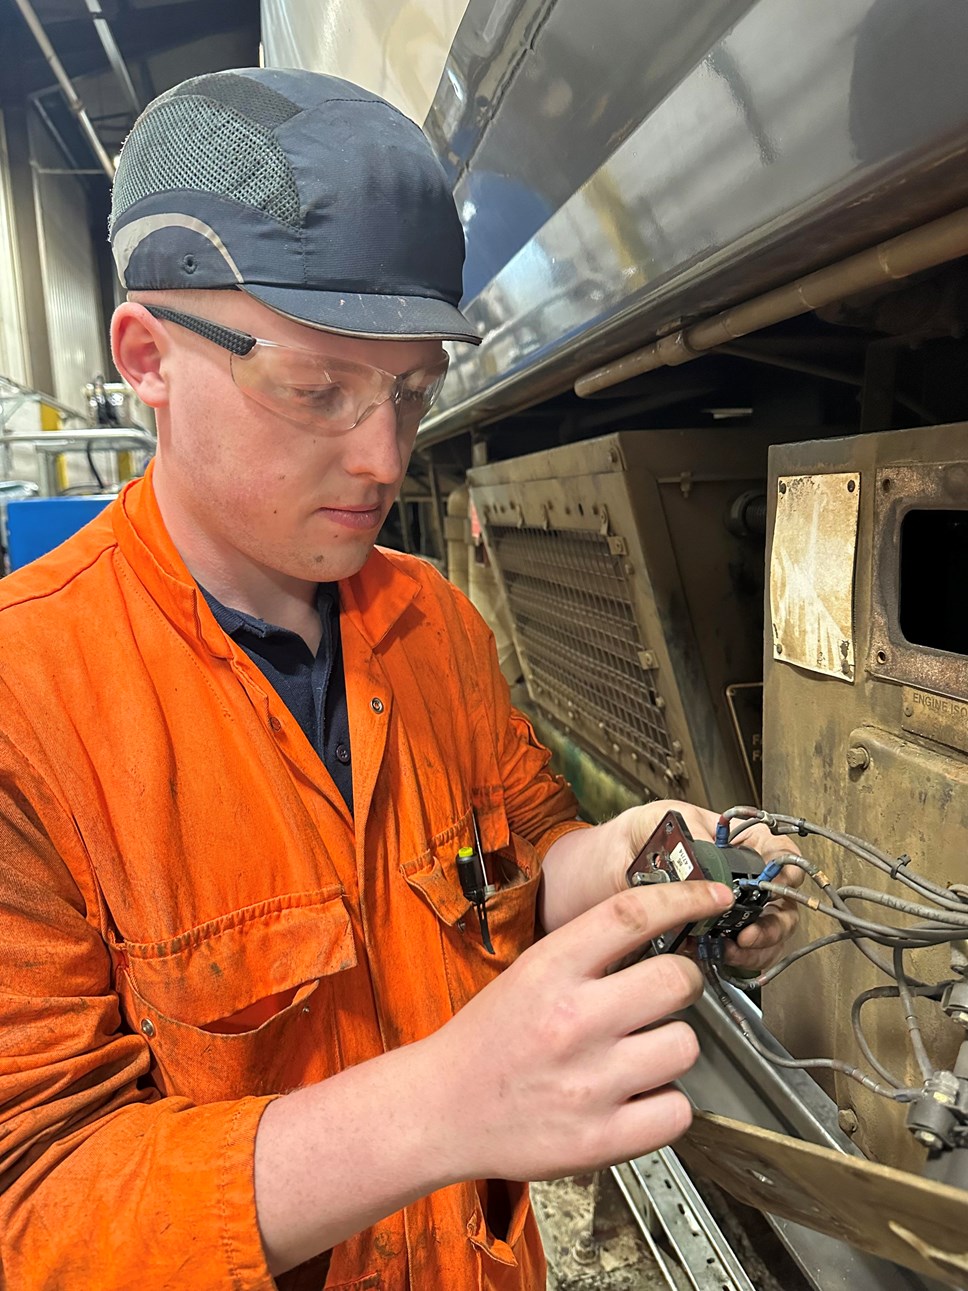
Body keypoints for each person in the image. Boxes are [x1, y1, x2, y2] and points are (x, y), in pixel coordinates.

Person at [0, 69, 801, 1290]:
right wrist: (441, 1105)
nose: (380, 456)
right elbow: (33, 1206)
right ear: (147, 356)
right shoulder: (29, 699)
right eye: (320, 391)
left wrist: (633, 858)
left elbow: (517, 863)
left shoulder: (428, 624)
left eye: (410, 392)